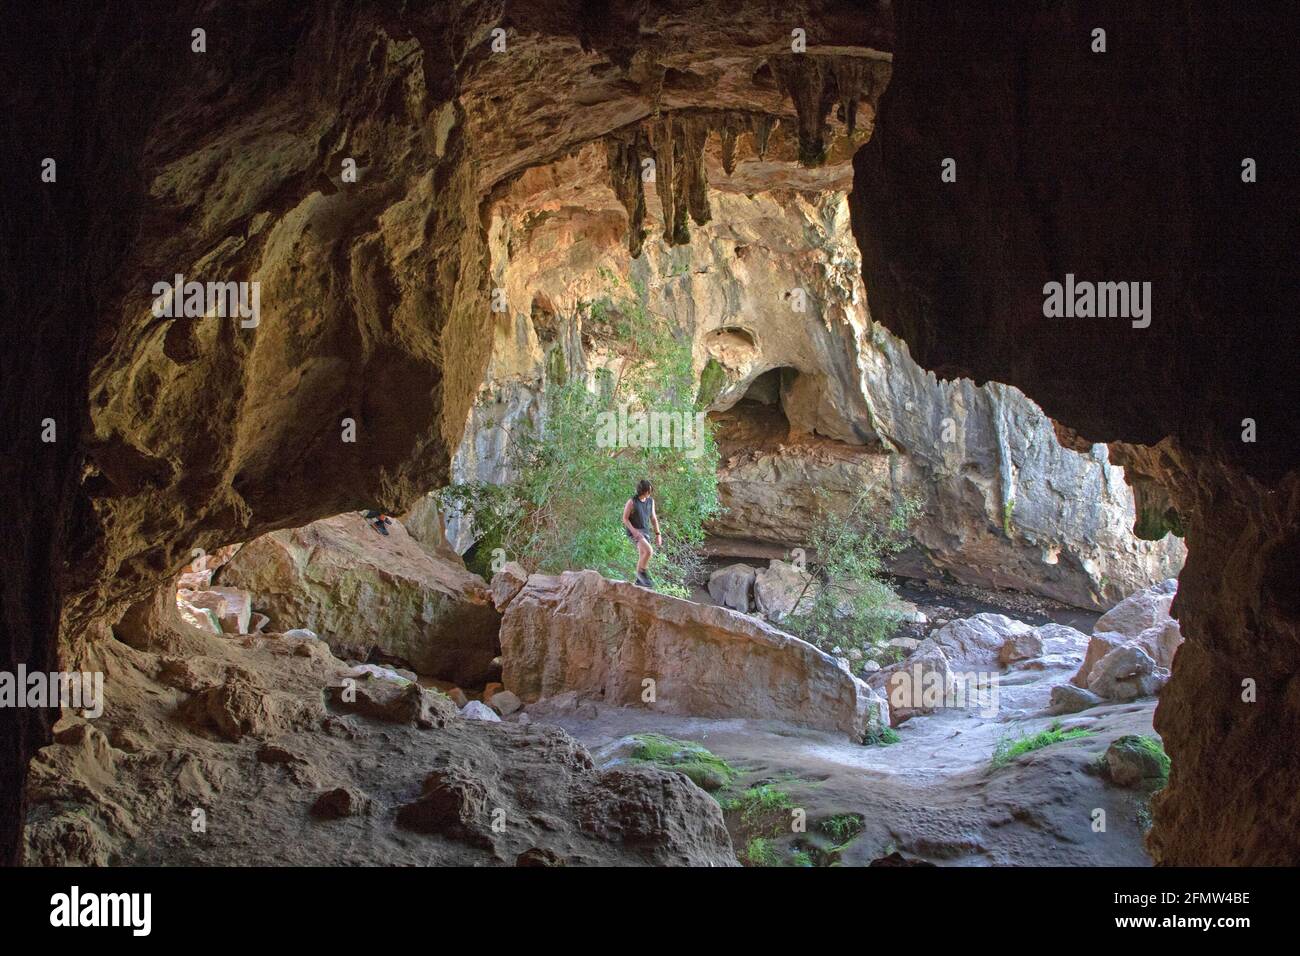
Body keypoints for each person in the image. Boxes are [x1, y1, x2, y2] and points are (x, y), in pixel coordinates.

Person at [622, 479, 662, 588]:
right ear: (643, 491)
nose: (650, 492)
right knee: (649, 551)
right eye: (649, 490)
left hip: (645, 531)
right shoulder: (632, 502)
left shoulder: (650, 501)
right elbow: (625, 519)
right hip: (635, 531)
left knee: (643, 554)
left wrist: (658, 534)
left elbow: (653, 518)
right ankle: (641, 573)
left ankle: (639, 582)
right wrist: (634, 531)